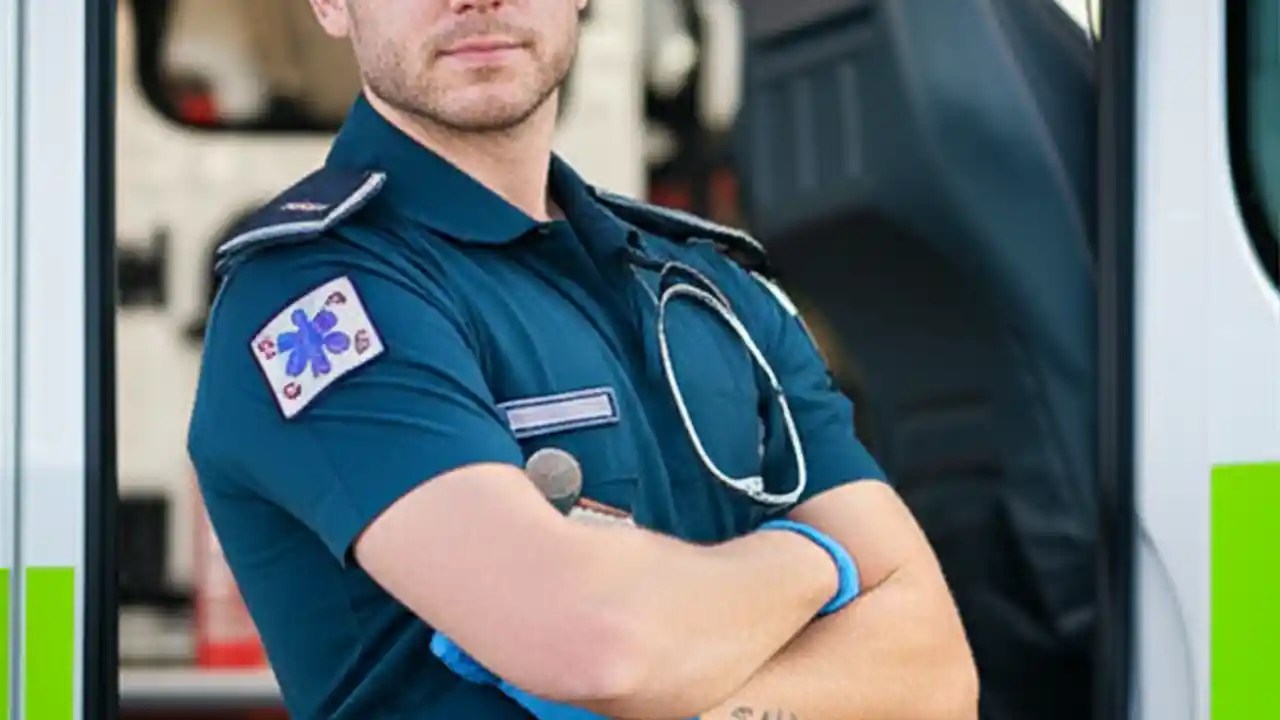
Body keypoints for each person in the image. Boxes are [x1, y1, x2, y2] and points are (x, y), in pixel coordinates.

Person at [186, 1, 979, 718]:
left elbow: (936, 674)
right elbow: (598, 646)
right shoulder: (321, 297)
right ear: (331, 3)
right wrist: (818, 560)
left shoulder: (712, 290)